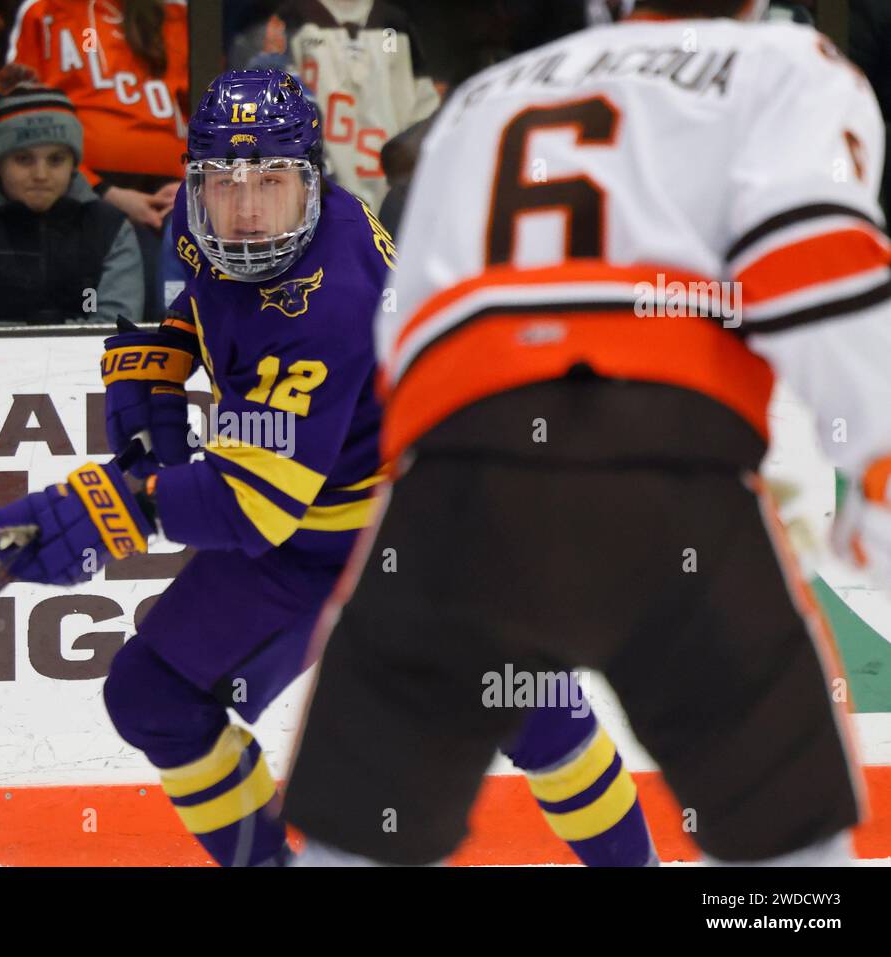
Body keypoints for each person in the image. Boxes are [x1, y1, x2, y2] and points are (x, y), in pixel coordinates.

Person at [0, 69, 658, 867]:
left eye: (268, 182)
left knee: (532, 705)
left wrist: (117, 506)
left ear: (310, 179)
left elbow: (249, 508)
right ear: (194, 181)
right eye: (223, 183)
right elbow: (211, 304)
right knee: (153, 694)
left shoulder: (332, 297)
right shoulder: (208, 230)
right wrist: (169, 348)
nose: (244, 209)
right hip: (316, 529)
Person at [283, 0, 887, 866]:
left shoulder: (483, 96)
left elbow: (405, 330)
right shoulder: (787, 63)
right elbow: (808, 252)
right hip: (664, 465)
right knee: (785, 849)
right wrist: (876, 459)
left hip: (457, 482)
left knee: (354, 843)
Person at [0, 0, 190, 319]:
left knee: (191, 259)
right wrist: (105, 192)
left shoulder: (179, 15)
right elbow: (18, 124)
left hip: (174, 189)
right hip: (82, 187)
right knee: (139, 263)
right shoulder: (43, 11)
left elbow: (206, 111)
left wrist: (191, 182)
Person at [0, 72, 142, 326]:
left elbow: (117, 332)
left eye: (56, 159)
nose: (41, 175)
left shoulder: (111, 229)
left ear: (74, 163)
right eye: (23, 159)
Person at [249, 0, 441, 211]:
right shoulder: (289, 20)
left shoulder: (395, 21)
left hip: (390, 194)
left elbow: (424, 111)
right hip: (320, 195)